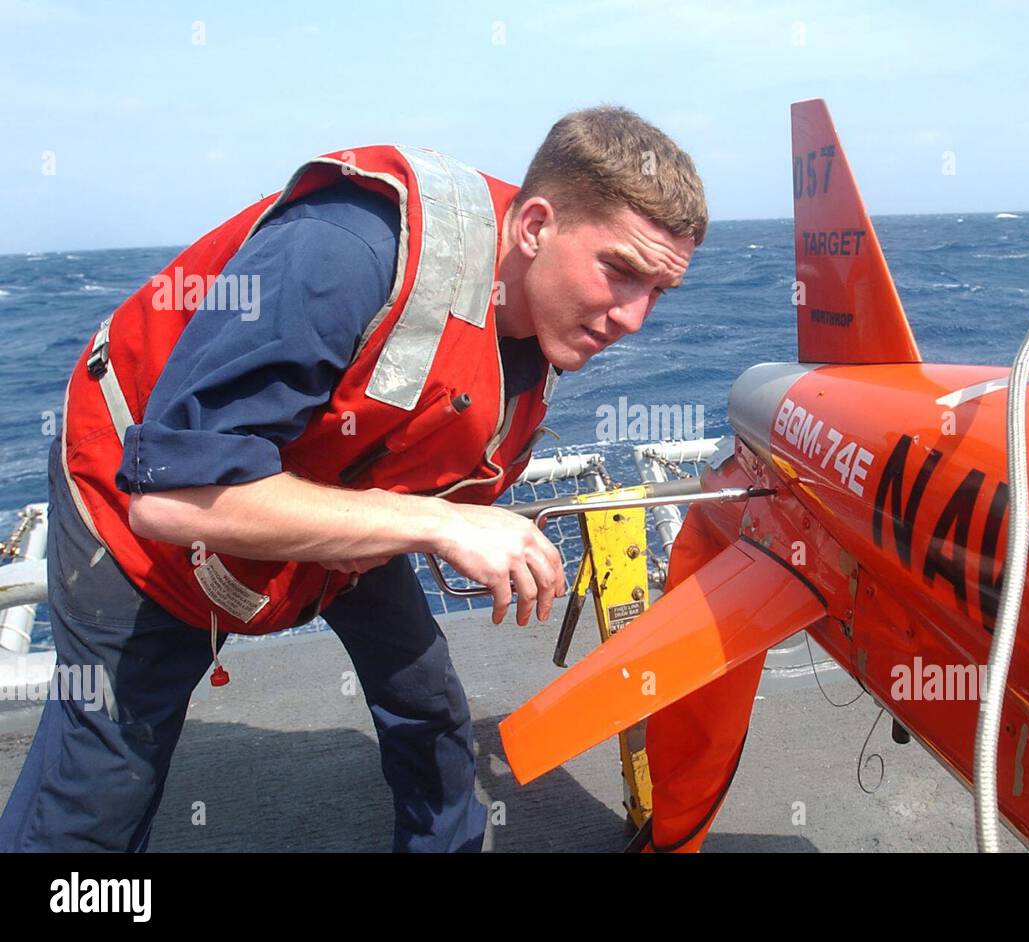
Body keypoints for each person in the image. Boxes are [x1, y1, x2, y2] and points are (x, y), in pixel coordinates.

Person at [0, 106, 706, 853]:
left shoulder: (540, 327)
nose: (634, 319)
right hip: (137, 500)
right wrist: (440, 525)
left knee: (426, 701)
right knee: (101, 789)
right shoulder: (349, 249)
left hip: (340, 492)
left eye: (657, 293)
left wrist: (433, 519)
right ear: (534, 226)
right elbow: (173, 498)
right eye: (620, 272)